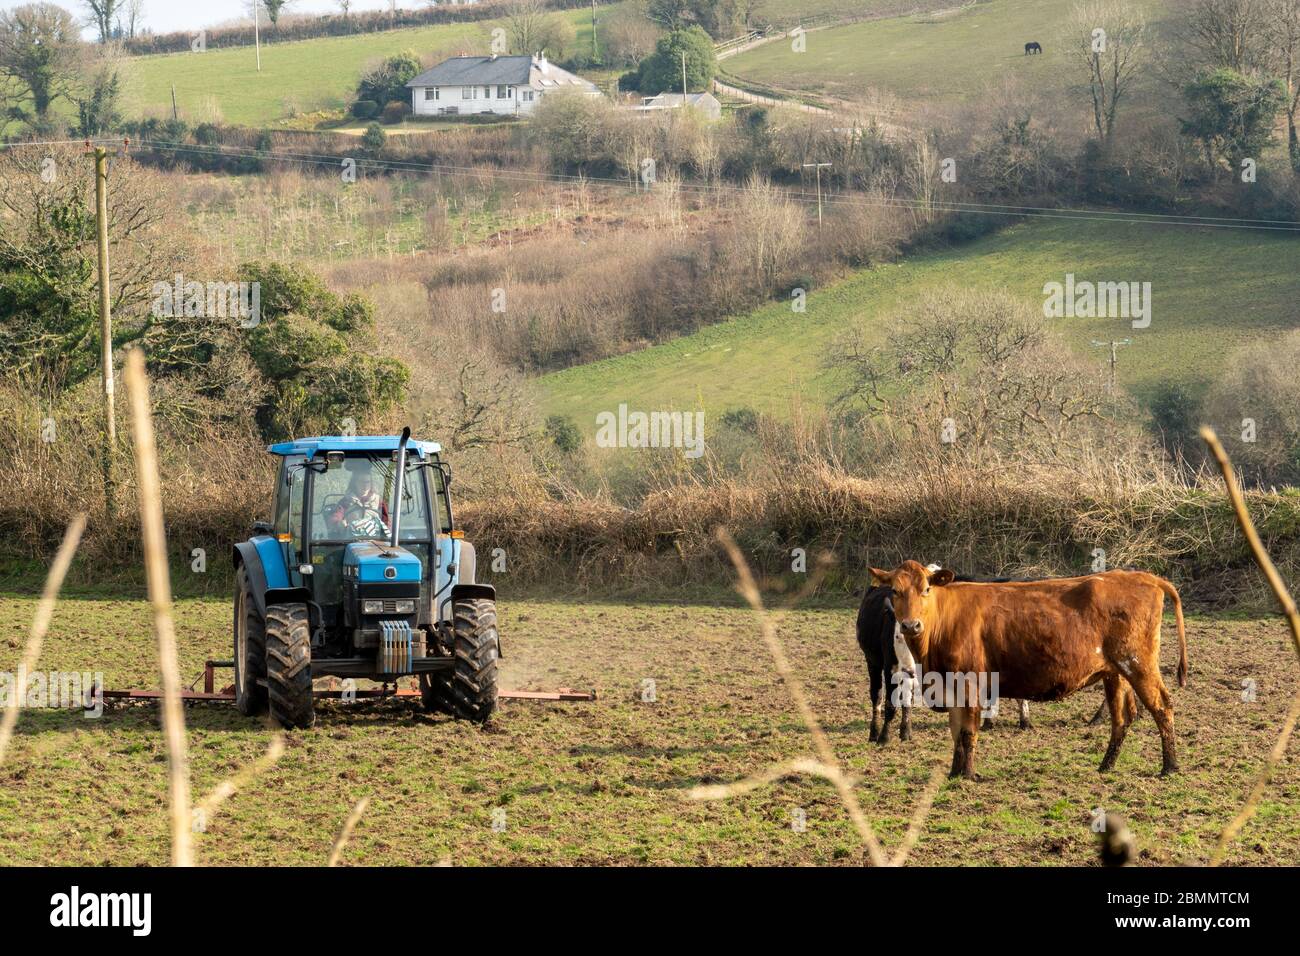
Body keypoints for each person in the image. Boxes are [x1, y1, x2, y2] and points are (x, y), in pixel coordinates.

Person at [328, 470, 389, 538]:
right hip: (352, 540)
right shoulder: (345, 501)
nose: (365, 485)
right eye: (361, 482)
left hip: (374, 541)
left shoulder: (379, 501)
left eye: (367, 482)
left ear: (371, 484)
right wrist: (341, 523)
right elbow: (336, 518)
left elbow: (386, 522)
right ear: (355, 483)